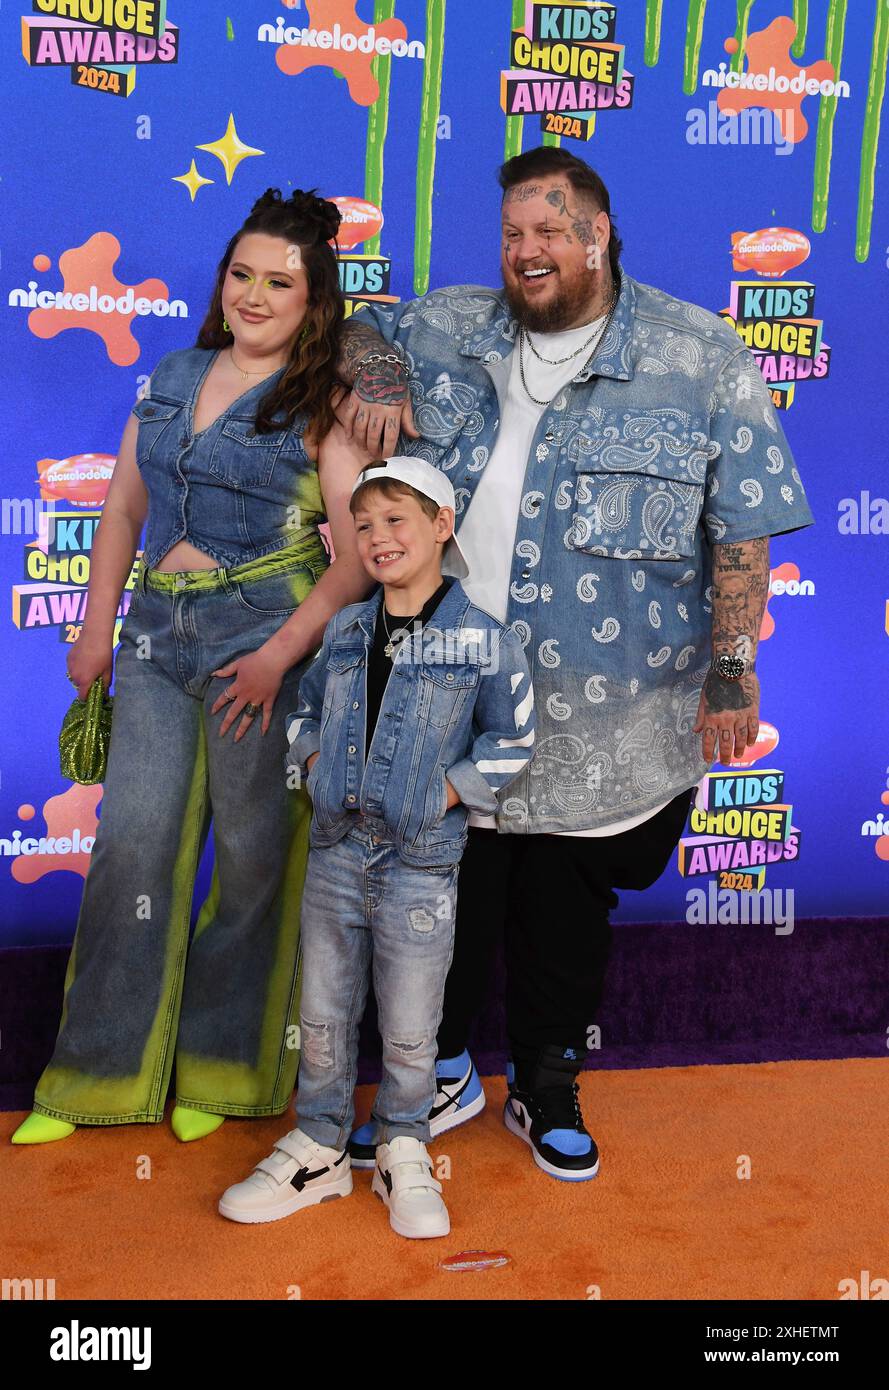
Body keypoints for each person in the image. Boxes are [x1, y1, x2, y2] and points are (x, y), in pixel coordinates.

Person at [331, 147, 815, 1182]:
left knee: (562, 902)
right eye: (511, 234)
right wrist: (372, 366)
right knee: (440, 889)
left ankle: (549, 1076)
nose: (525, 252)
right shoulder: (451, 325)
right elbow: (355, 321)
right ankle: (437, 1070)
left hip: (610, 713)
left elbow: (741, 529)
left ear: (598, 236)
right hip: (449, 693)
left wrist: (733, 668)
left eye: (548, 231)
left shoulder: (701, 353)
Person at [13, 187, 376, 1145]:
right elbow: (125, 510)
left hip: (264, 640)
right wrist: (95, 628)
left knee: (256, 861)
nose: (255, 295)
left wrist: (274, 658)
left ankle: (226, 1073)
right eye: (242, 274)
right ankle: (94, 1078)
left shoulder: (320, 401)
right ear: (224, 282)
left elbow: (353, 558)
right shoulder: (173, 373)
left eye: (280, 282)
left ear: (314, 300)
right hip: (154, 642)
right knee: (129, 851)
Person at [218, 456, 535, 1237]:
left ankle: (402, 1145)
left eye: (396, 520)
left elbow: (514, 737)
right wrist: (317, 763)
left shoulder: (479, 638)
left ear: (440, 525)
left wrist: (446, 791)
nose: (377, 537)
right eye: (362, 526)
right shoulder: (349, 628)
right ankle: (319, 1146)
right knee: (321, 1014)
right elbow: (304, 713)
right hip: (333, 853)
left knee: (408, 1025)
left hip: (421, 867)